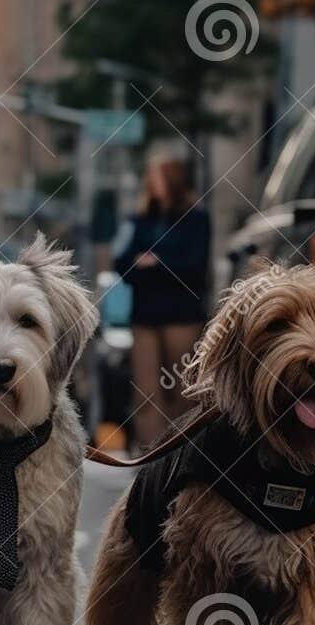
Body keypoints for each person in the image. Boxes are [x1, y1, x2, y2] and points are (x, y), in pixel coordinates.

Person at [112, 156, 210, 451]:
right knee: (146, 392)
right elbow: (122, 263)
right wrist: (153, 267)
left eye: (157, 176)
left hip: (182, 317)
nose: (151, 182)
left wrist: (156, 264)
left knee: (182, 389)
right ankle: (150, 453)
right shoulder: (140, 220)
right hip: (145, 317)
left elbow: (195, 266)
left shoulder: (196, 218)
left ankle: (179, 451)